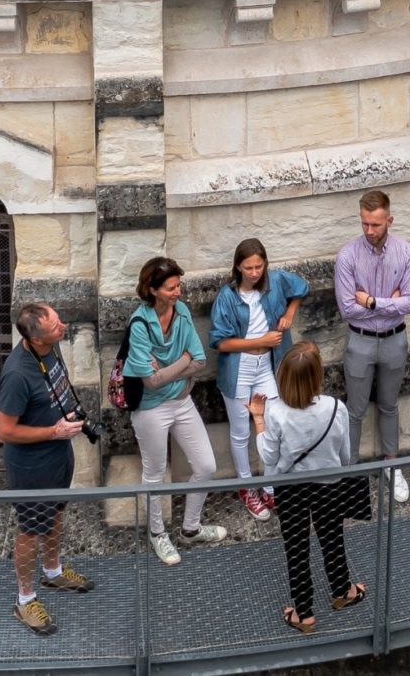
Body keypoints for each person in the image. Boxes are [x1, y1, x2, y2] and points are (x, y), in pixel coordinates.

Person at [249, 341, 366, 634]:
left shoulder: (275, 412)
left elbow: (270, 457)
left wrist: (258, 419)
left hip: (292, 488)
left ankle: (304, 613)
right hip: (328, 484)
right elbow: (345, 455)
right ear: (317, 376)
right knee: (332, 538)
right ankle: (342, 591)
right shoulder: (335, 407)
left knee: (297, 549)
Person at [0, 302, 96, 635]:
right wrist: (53, 432)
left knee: (55, 514)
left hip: (58, 455)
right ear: (36, 338)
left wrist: (67, 420)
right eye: (56, 325)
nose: (63, 326)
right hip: (31, 466)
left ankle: (53, 572)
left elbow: (58, 389)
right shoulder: (17, 374)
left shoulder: (50, 350)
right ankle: (25, 600)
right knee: (31, 530)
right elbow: (5, 431)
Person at [123, 256, 228, 565]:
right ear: (153, 290)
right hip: (150, 408)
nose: (178, 292)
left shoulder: (181, 312)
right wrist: (182, 362)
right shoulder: (139, 324)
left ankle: (191, 528)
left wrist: (171, 367)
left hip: (181, 400)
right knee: (154, 474)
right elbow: (151, 382)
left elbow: (200, 360)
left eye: (178, 285)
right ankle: (157, 534)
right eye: (171, 288)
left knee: (206, 466)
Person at [210, 237, 309, 521]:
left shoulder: (276, 281)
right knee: (241, 431)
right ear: (238, 267)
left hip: (268, 364)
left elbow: (302, 288)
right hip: (238, 369)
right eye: (248, 267)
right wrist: (259, 339)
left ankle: (269, 486)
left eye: (259, 266)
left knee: (273, 424)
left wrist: (290, 312)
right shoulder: (228, 297)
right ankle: (246, 486)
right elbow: (219, 342)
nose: (254, 273)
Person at [333, 189, 410, 503]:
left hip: (395, 339)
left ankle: (392, 465)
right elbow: (347, 309)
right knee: (354, 411)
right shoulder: (347, 256)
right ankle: (350, 471)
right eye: (365, 224)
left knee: (389, 405)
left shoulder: (406, 252)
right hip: (360, 340)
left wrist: (371, 300)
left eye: (376, 225)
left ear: (389, 220)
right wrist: (389, 303)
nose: (370, 231)